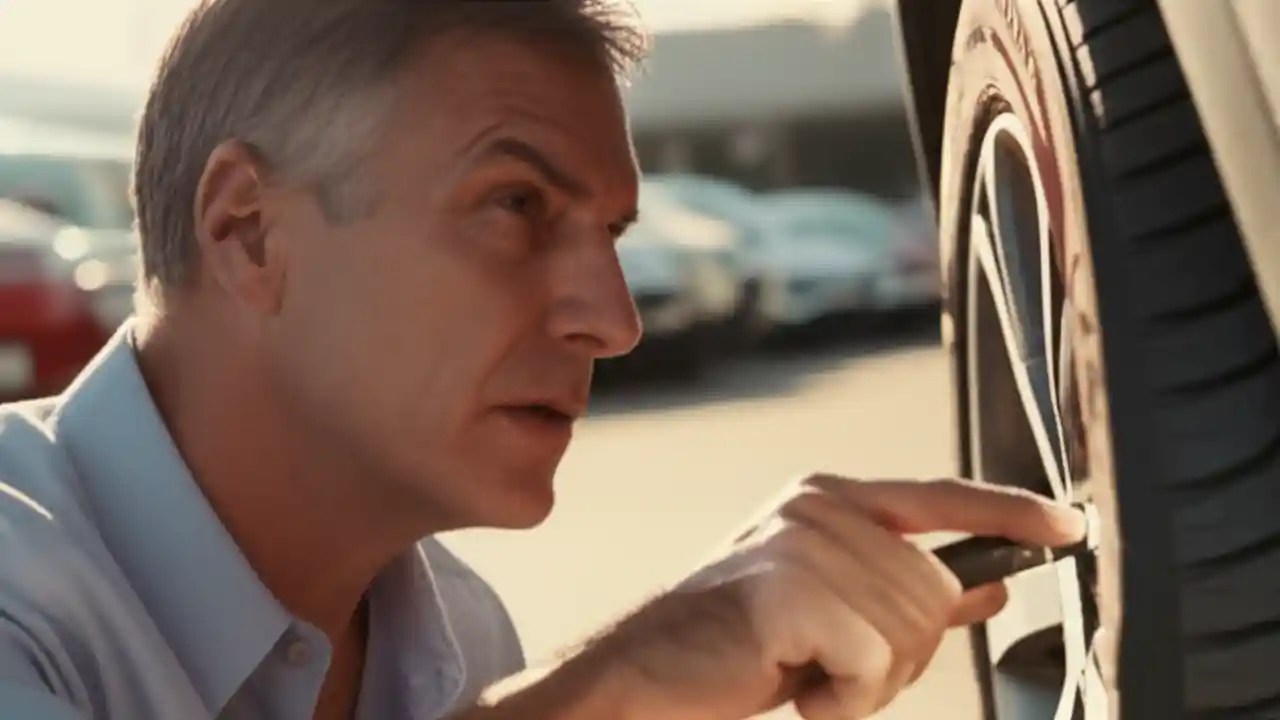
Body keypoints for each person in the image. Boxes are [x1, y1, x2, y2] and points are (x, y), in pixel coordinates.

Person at [0, 1, 1086, 718]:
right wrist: (617, 691)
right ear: (248, 231)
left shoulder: (452, 638)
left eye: (610, 236)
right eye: (513, 205)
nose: (611, 322)